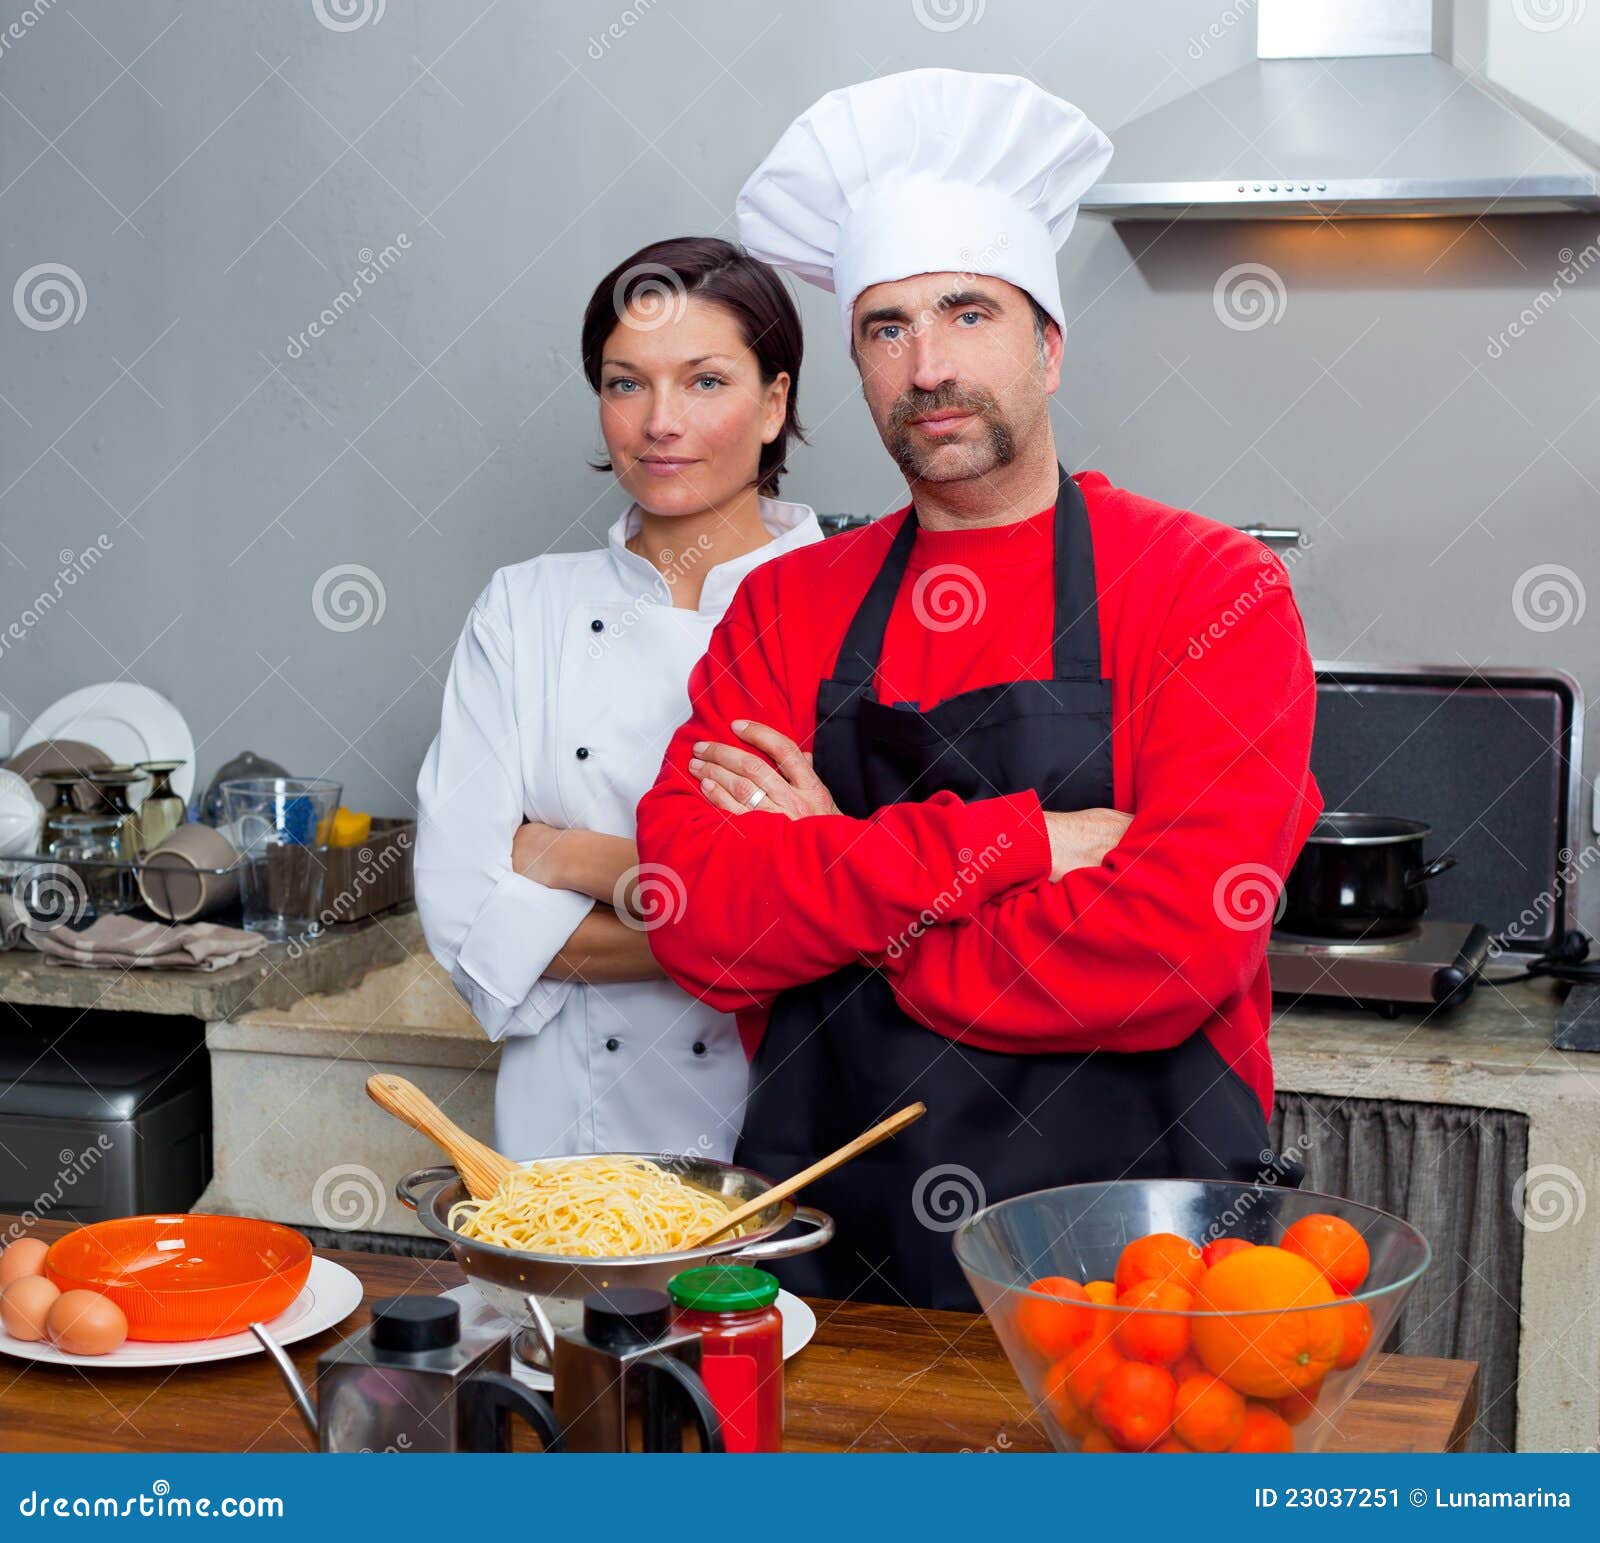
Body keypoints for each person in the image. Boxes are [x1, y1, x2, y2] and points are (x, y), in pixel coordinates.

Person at [634, 71, 1323, 1310]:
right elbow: (696, 913)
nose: (928, 365)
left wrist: (846, 893)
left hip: (1138, 1263)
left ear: (1048, 346)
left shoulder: (1207, 587)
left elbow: (1173, 943)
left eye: (966, 312)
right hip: (830, 1249)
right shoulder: (788, 607)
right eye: (885, 328)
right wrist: (1023, 842)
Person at [415, 236, 822, 1163]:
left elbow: (873, 911)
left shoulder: (852, 600)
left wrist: (566, 855)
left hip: (793, 1121)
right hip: (566, 1138)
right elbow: (464, 912)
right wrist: (757, 926)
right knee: (563, 1310)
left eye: (706, 381)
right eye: (624, 382)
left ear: (776, 402)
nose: (659, 422)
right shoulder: (525, 608)